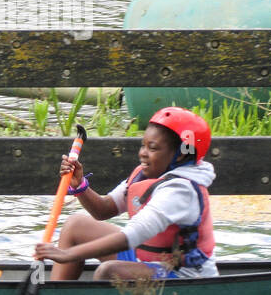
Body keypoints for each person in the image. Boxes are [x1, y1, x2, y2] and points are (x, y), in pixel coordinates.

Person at [35, 106, 216, 281]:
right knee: (76, 225)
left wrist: (67, 254)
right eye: (143, 145)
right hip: (143, 259)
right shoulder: (144, 174)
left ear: (181, 155)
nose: (143, 154)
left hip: (180, 274)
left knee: (109, 271)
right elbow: (104, 210)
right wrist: (79, 185)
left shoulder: (181, 190)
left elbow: (132, 235)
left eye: (152, 148)